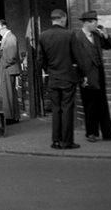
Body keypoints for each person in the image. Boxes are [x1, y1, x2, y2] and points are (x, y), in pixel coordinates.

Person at [71, 10, 111, 142]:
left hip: (99, 73)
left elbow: (109, 46)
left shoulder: (97, 35)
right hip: (86, 75)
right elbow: (74, 59)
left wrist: (106, 35)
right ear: (87, 23)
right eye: (94, 22)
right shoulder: (77, 37)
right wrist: (81, 77)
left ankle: (108, 133)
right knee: (90, 104)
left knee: (102, 103)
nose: (96, 25)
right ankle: (91, 133)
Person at [37, 9, 80, 149]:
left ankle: (56, 140)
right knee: (67, 108)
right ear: (63, 19)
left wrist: (48, 70)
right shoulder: (70, 34)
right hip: (68, 77)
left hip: (53, 78)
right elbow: (78, 57)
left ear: (52, 20)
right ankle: (67, 141)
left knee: (56, 109)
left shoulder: (43, 36)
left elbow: (40, 59)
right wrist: (80, 74)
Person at [0, 19, 21, 124]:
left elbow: (11, 56)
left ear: (4, 27)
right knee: (9, 93)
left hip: (8, 69)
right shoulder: (7, 38)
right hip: (7, 68)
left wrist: (3, 64)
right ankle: (13, 116)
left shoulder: (10, 38)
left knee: (8, 93)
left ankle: (10, 116)